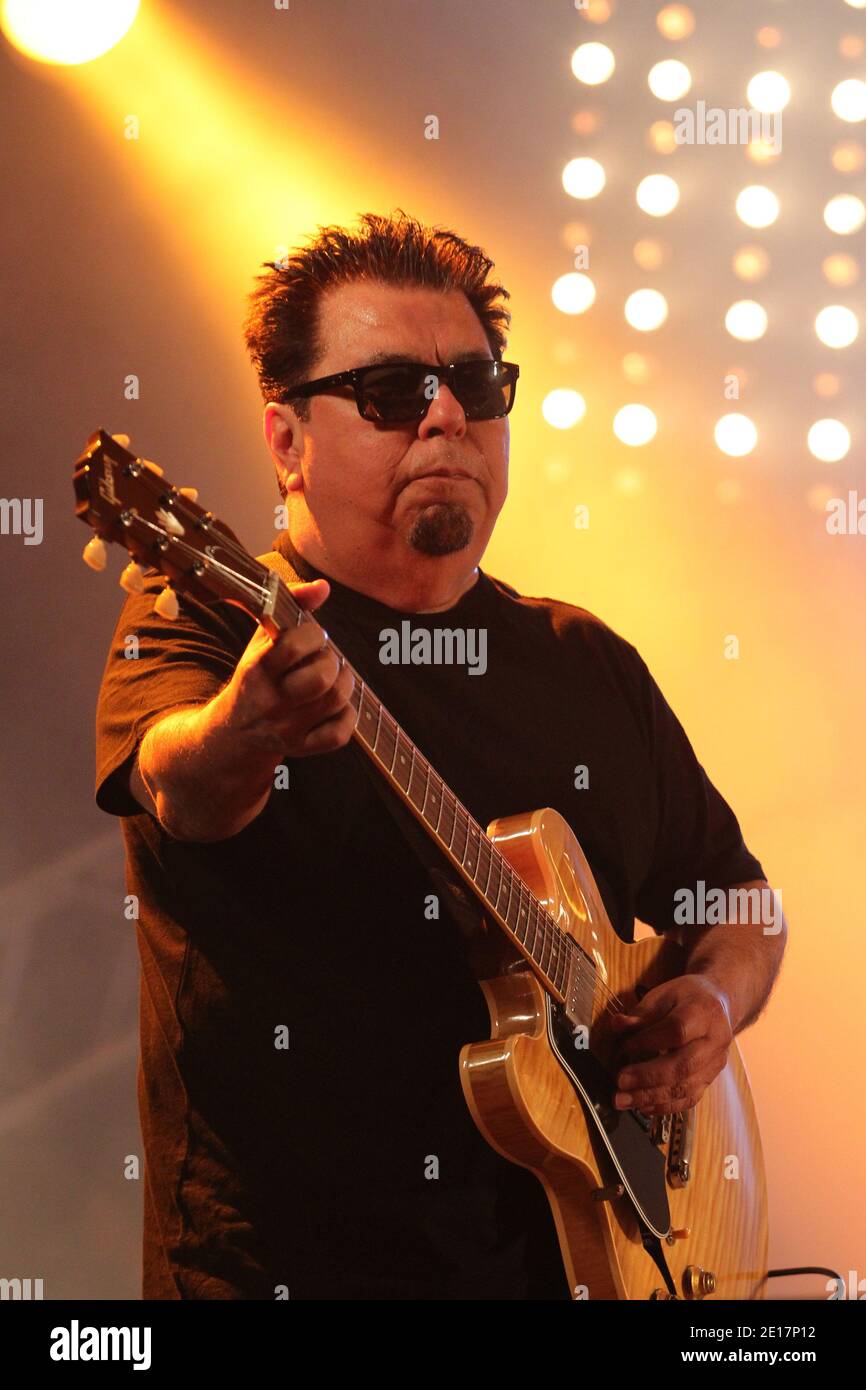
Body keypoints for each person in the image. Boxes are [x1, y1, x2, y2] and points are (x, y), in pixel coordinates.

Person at [94, 209, 787, 1300]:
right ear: (285, 440)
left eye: (476, 383)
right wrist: (247, 726)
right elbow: (178, 783)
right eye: (391, 394)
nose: (447, 418)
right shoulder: (204, 615)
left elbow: (740, 900)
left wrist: (707, 1006)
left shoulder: (584, 659)